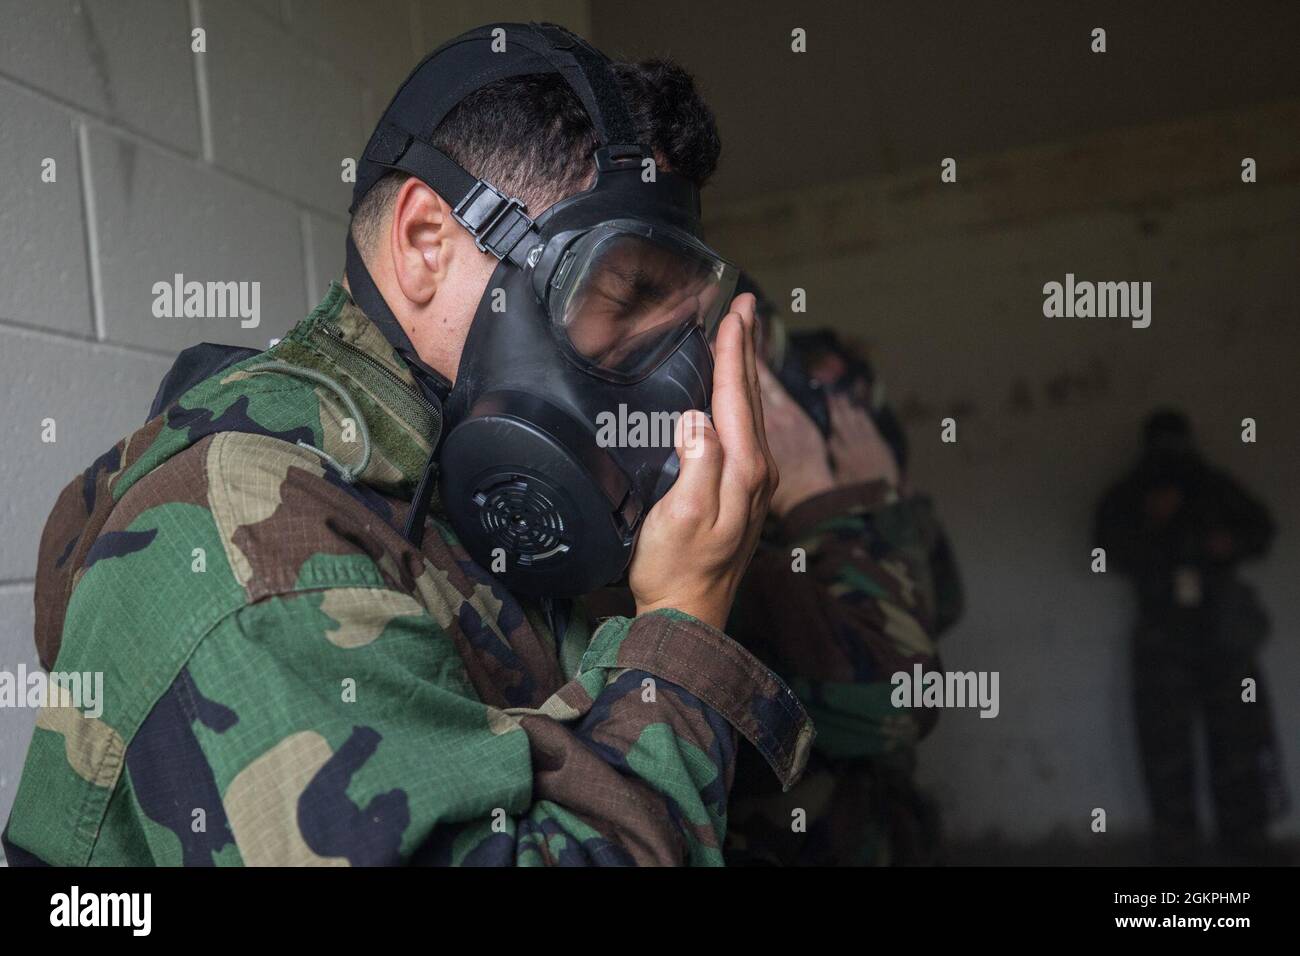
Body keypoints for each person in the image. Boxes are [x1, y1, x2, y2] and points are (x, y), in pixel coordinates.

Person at [3, 23, 813, 867]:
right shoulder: (249, 531)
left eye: (682, 322)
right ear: (429, 241)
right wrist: (682, 620)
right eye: (625, 290)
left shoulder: (462, 494)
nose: (666, 371)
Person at [723, 284, 963, 865]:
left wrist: (877, 511)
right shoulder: (737, 546)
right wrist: (827, 504)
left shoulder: (834, 525)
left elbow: (941, 608)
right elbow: (902, 697)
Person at [1094, 409, 1287, 863]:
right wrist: (1150, 528)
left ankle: (1244, 839)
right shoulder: (1130, 496)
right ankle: (1177, 843)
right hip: (1163, 639)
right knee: (1165, 749)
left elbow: (1262, 530)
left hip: (1222, 634)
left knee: (1238, 741)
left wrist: (1229, 543)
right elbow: (1102, 551)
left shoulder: (1215, 489)